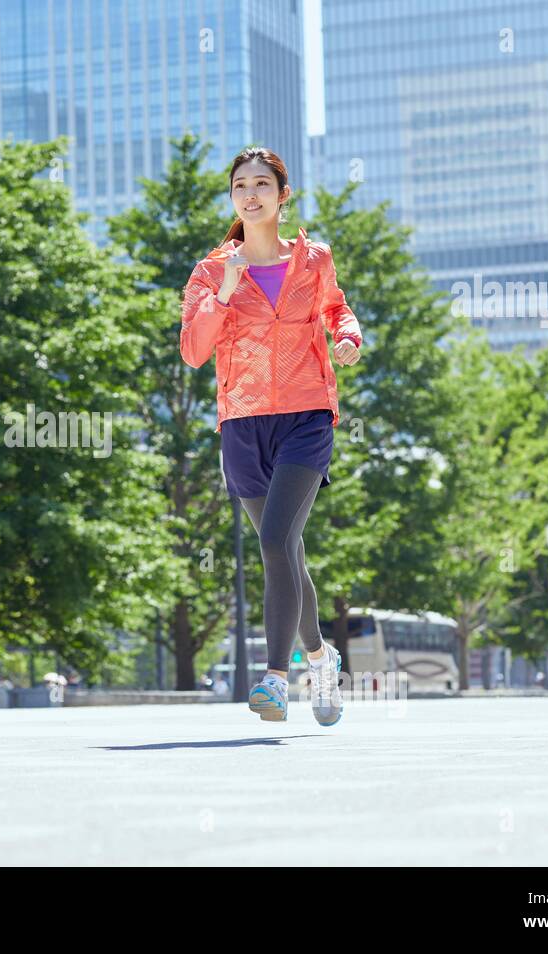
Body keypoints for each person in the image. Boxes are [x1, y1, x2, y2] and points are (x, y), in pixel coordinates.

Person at [179, 147, 362, 727]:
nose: (250, 194)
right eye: (240, 186)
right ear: (233, 198)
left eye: (262, 184)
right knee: (286, 552)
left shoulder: (314, 259)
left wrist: (348, 336)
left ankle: (276, 680)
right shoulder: (210, 273)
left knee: (276, 539)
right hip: (242, 423)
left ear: (283, 196)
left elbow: (337, 310)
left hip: (307, 415)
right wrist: (226, 290)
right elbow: (193, 351)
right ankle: (320, 655)